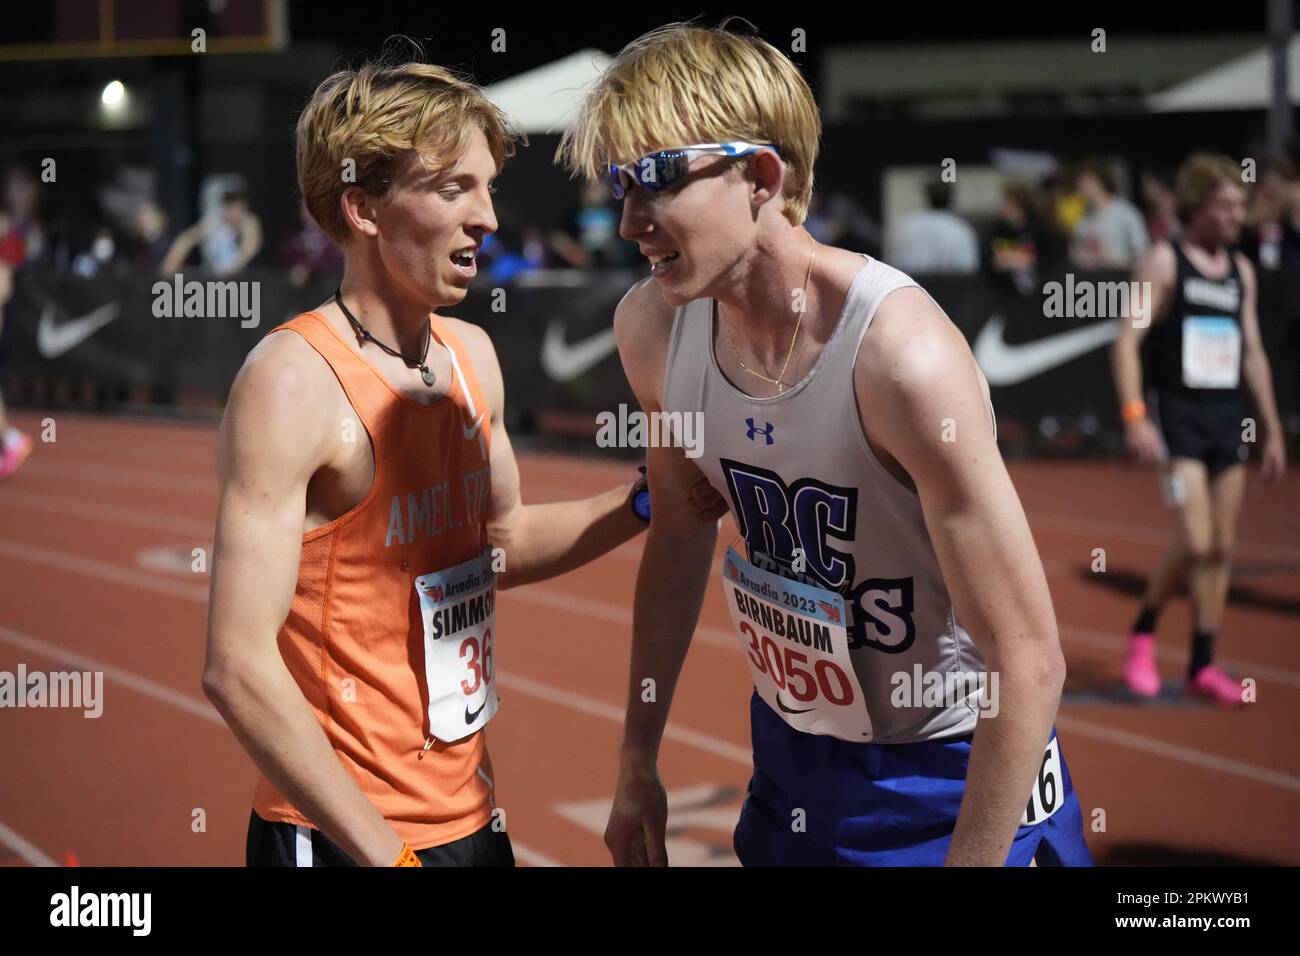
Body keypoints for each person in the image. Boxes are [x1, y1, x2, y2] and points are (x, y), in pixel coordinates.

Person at [558, 20, 1092, 867]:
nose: (628, 221)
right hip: (794, 764)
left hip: (958, 778)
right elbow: (681, 532)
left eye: (655, 181)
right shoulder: (652, 332)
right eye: (619, 186)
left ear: (761, 177)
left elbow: (1027, 660)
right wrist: (636, 759)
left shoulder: (899, 359)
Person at [204, 55, 722, 868]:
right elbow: (237, 665)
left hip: (469, 818)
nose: (487, 217)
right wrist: (386, 854)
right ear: (362, 206)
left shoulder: (472, 357)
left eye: (487, 188)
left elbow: (501, 542)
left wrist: (644, 502)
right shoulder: (293, 383)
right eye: (453, 189)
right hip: (342, 836)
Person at [1112, 153, 1287, 707]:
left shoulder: (1242, 272)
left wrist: (1273, 428)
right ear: (1197, 207)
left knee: (1222, 549)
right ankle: (1142, 634)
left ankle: (1202, 665)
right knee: (1195, 540)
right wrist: (1135, 414)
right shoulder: (1164, 262)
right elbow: (1126, 340)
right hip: (1175, 421)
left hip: (1225, 420)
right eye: (1228, 204)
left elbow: (1253, 351)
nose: (1239, 215)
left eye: (1241, 204)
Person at [888, 178, 979, 274]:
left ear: (927, 196)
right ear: (950, 198)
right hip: (948, 286)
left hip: (910, 285)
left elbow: (892, 264)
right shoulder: (960, 229)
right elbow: (968, 268)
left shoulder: (906, 225)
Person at [1071, 159, 1148, 269]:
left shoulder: (1126, 213)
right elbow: (1077, 251)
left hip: (1122, 282)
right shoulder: (1083, 221)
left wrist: (1115, 263)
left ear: (1099, 182)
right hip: (1093, 284)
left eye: (1085, 183)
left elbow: (1142, 252)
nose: (1081, 189)